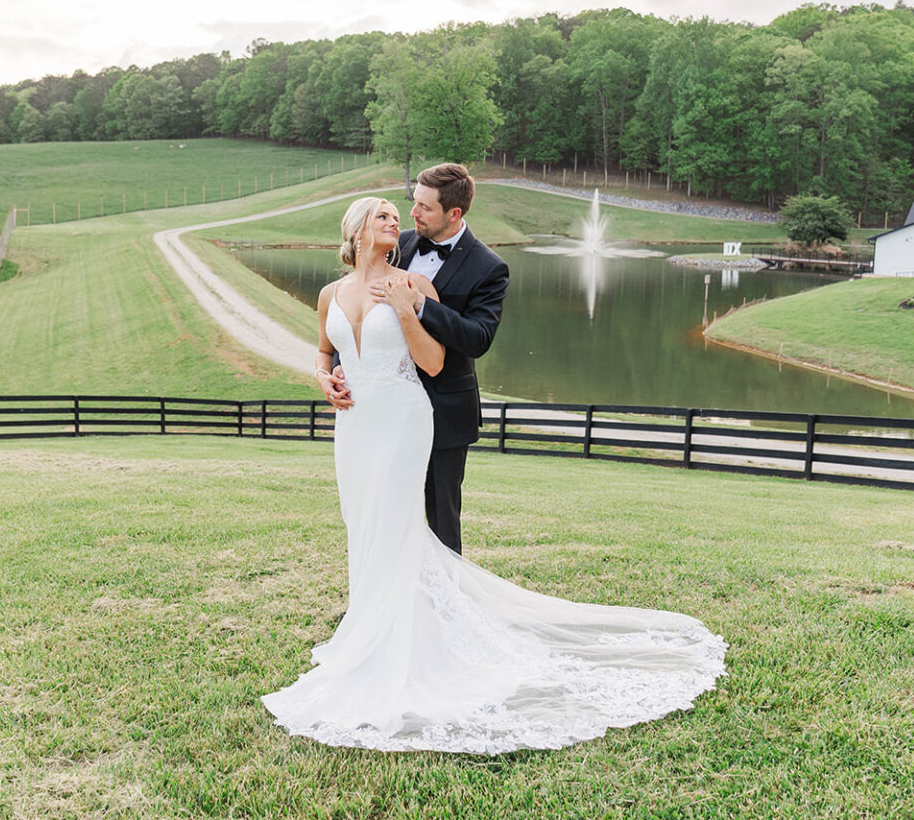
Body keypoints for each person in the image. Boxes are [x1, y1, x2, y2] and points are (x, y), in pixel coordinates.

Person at [262, 196, 727, 755]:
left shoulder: (414, 284)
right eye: (385, 214)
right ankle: (368, 629)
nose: (398, 221)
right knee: (361, 523)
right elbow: (321, 352)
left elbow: (434, 363)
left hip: (406, 420)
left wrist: (408, 309)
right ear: (359, 228)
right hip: (355, 426)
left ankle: (409, 643)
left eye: (399, 213)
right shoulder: (329, 294)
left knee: (398, 523)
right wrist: (323, 380)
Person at [323, 163, 507, 554]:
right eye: (413, 204)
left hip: (442, 410)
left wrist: (419, 304)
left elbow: (478, 338)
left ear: (453, 214)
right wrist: (339, 363)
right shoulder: (396, 242)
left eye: (424, 207)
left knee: (441, 521)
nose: (411, 214)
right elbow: (358, 316)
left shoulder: (488, 268)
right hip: (375, 411)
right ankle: (380, 602)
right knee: (377, 511)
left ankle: (445, 609)